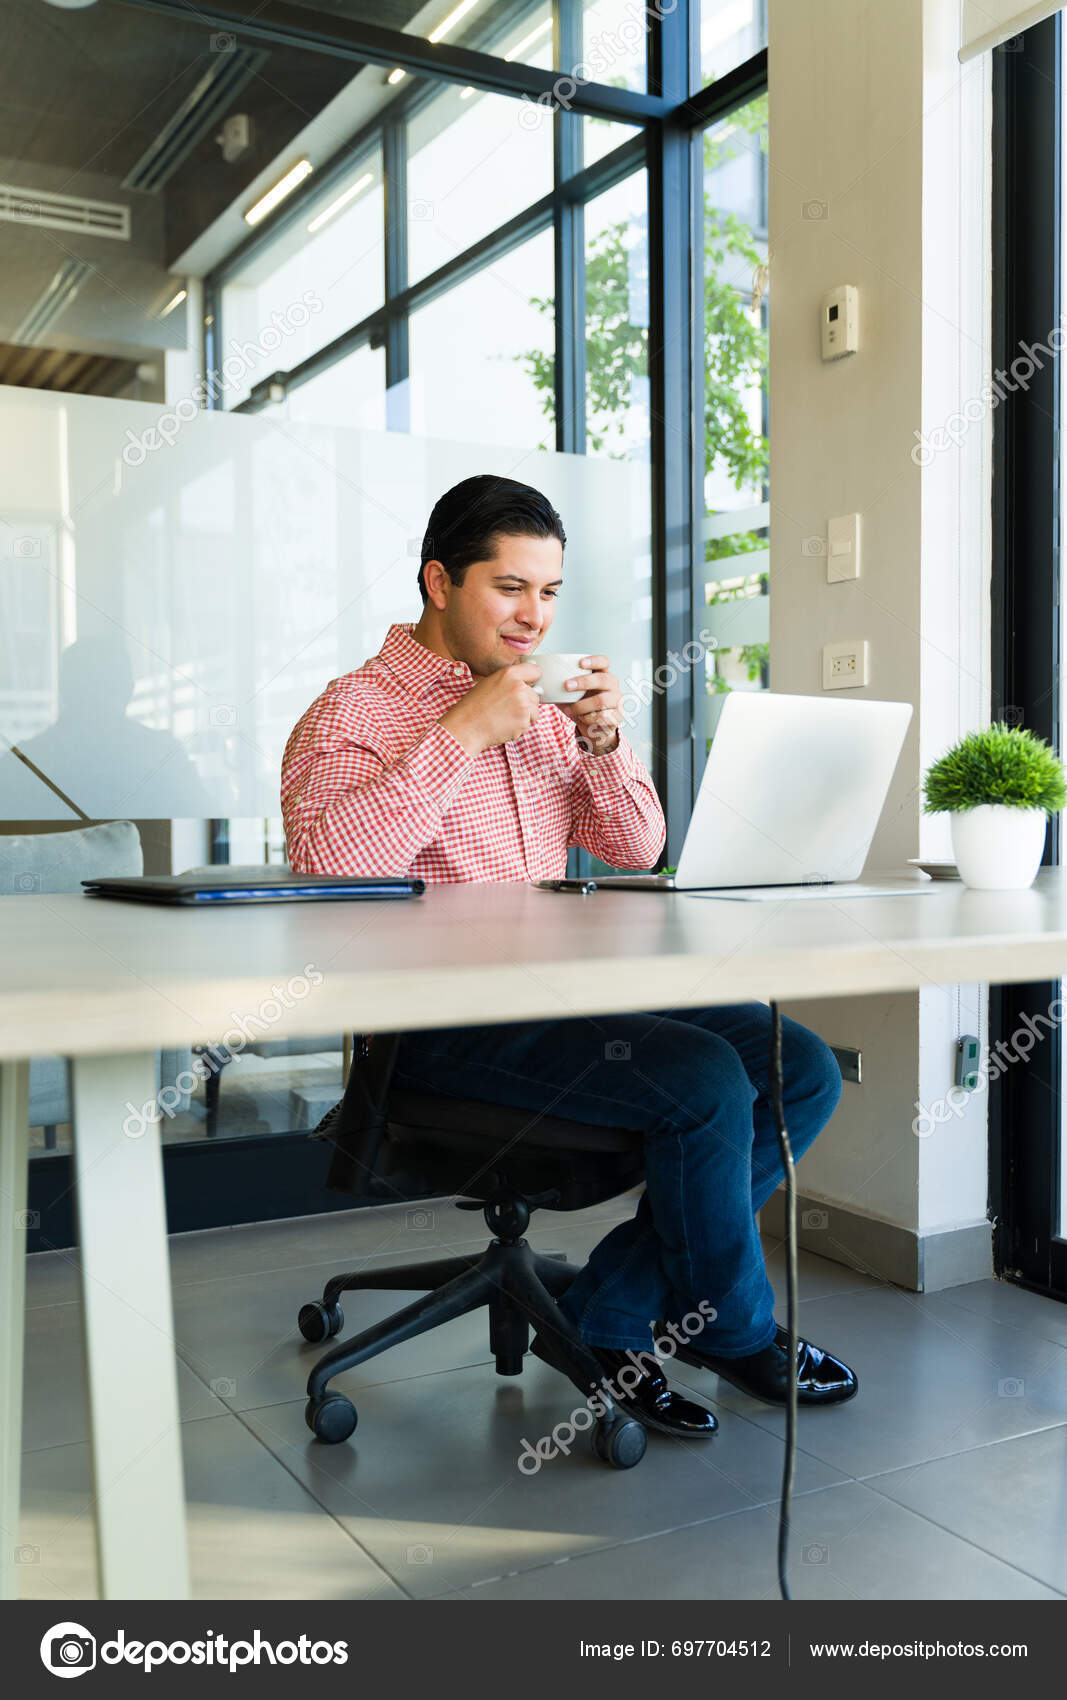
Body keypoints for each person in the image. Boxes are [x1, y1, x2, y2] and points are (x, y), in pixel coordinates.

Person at [281, 472, 857, 1441]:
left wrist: (601, 739)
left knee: (791, 1061)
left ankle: (614, 1308)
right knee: (705, 1079)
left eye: (548, 593)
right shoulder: (353, 711)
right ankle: (735, 1329)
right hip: (434, 1030)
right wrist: (457, 734)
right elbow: (327, 865)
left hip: (567, 1002)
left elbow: (636, 845)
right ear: (437, 580)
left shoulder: (542, 706)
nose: (532, 617)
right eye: (509, 588)